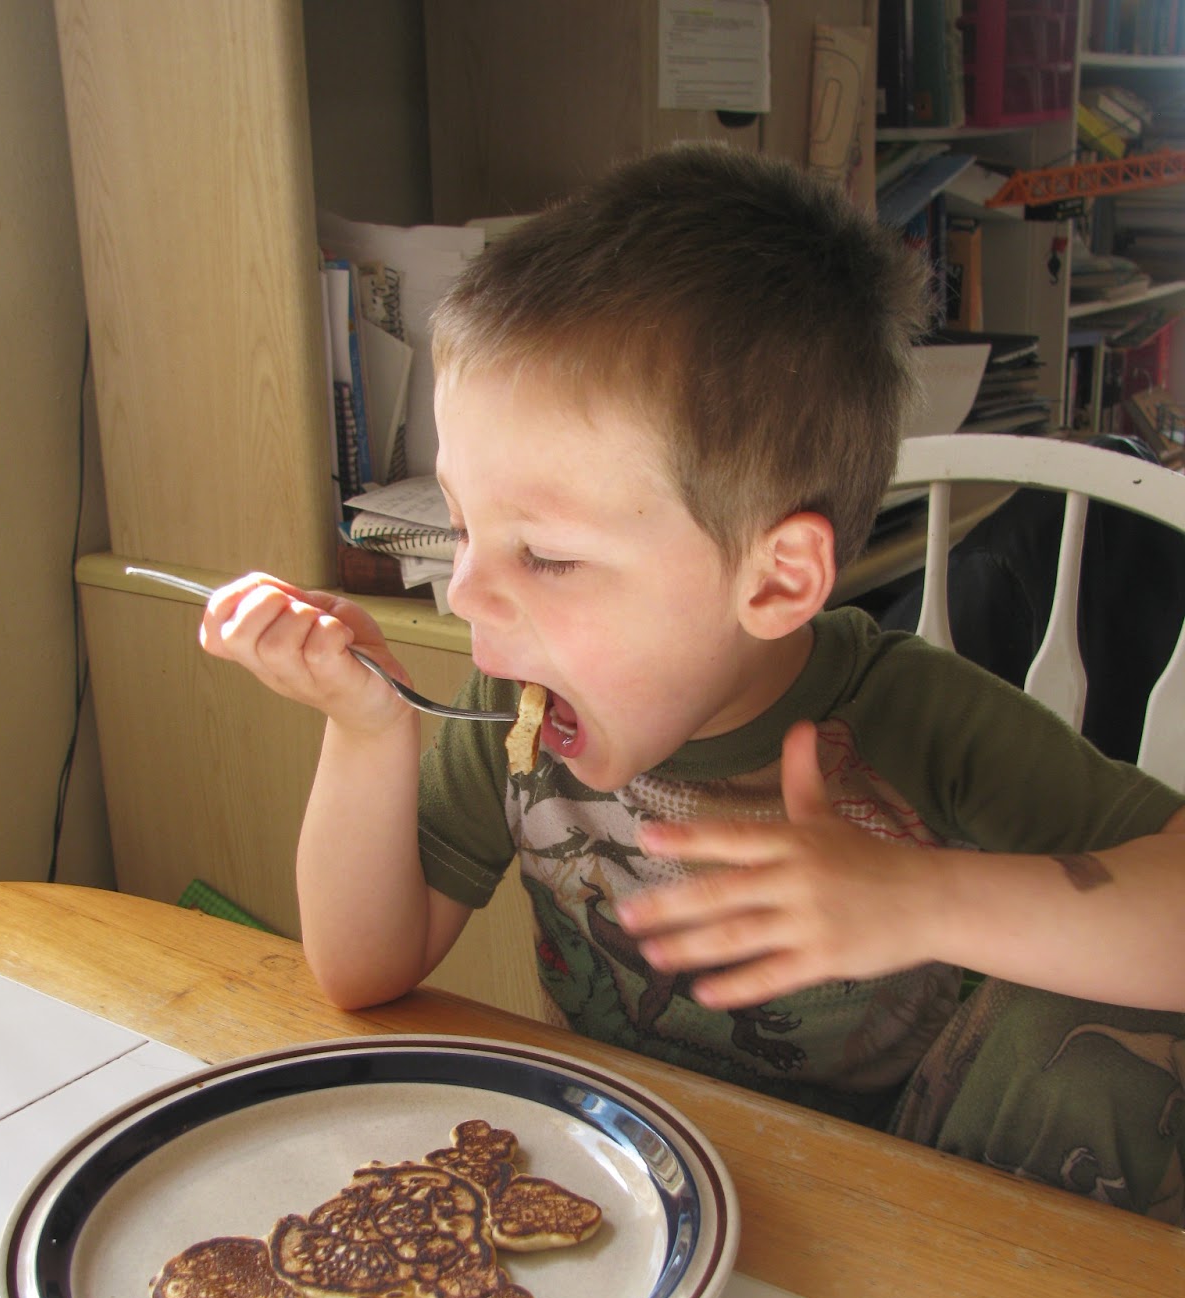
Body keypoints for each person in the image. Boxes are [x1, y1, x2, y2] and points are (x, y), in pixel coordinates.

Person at [201, 144, 1185, 1221]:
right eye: (464, 523)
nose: (466, 592)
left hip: (901, 1228)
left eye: (548, 556)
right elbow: (358, 970)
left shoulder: (921, 726)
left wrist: (924, 901)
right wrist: (364, 729)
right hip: (626, 1203)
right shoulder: (521, 727)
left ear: (773, 580)